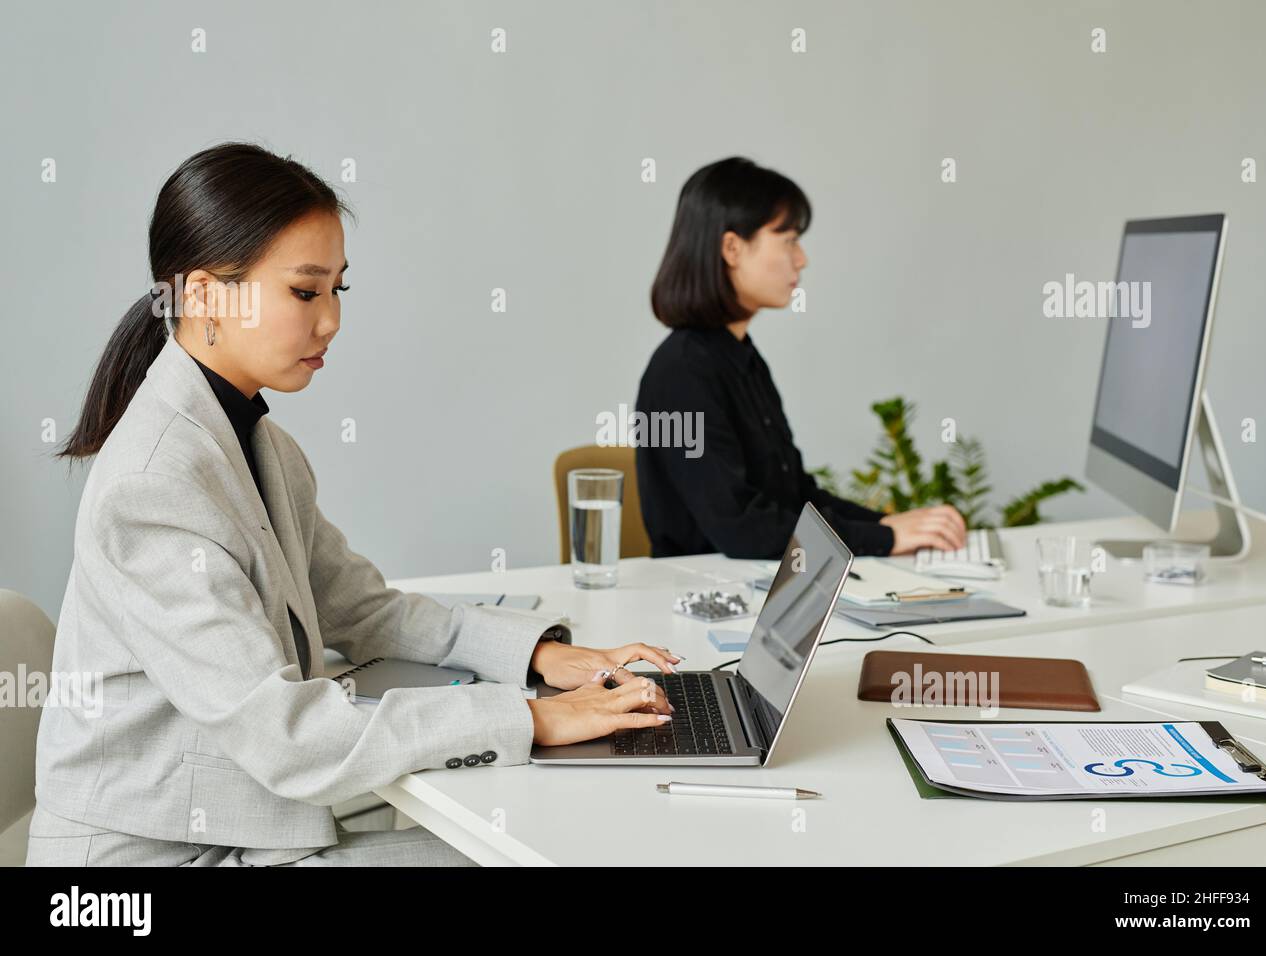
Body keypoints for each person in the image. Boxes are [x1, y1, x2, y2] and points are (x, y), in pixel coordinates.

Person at [28, 142, 675, 867]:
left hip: (254, 821)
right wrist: (528, 719)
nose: (331, 320)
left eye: (338, 289)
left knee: (546, 826)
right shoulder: (153, 485)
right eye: (305, 292)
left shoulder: (262, 446)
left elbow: (365, 611)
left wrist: (541, 657)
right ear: (206, 296)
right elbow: (285, 735)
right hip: (155, 860)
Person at [635, 157, 967, 560]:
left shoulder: (741, 358)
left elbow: (793, 497)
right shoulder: (682, 372)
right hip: (709, 600)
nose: (802, 259)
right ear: (732, 248)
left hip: (762, 587)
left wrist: (886, 526)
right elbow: (743, 529)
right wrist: (885, 538)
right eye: (788, 239)